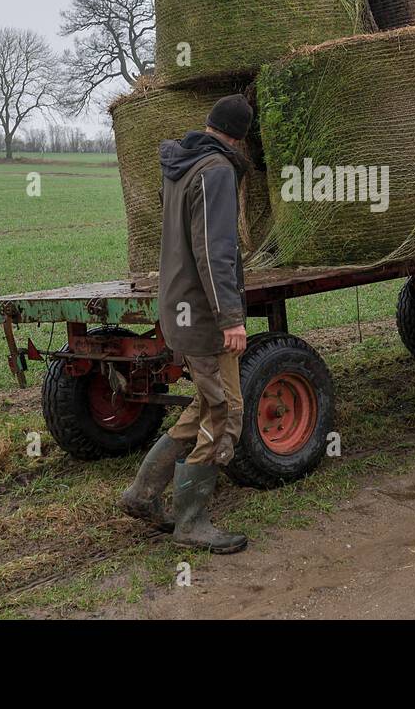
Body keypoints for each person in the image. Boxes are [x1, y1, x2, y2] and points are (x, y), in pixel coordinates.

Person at [119, 94, 253, 553]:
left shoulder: (181, 165)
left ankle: (142, 494)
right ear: (239, 137)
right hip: (204, 318)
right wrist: (230, 318)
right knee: (225, 412)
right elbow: (214, 252)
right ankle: (192, 521)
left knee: (203, 405)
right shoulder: (216, 171)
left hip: (178, 306)